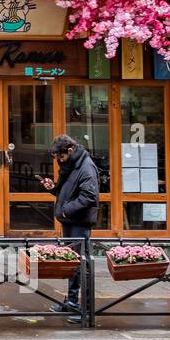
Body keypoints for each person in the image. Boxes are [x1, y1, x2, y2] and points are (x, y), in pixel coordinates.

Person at [39, 134, 99, 322]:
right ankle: (72, 301)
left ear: (70, 150)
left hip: (79, 223)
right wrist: (53, 188)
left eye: (61, 156)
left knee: (82, 264)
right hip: (71, 221)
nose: (59, 160)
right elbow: (67, 190)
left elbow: (89, 196)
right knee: (73, 263)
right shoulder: (72, 165)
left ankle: (86, 310)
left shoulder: (86, 167)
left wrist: (65, 211)